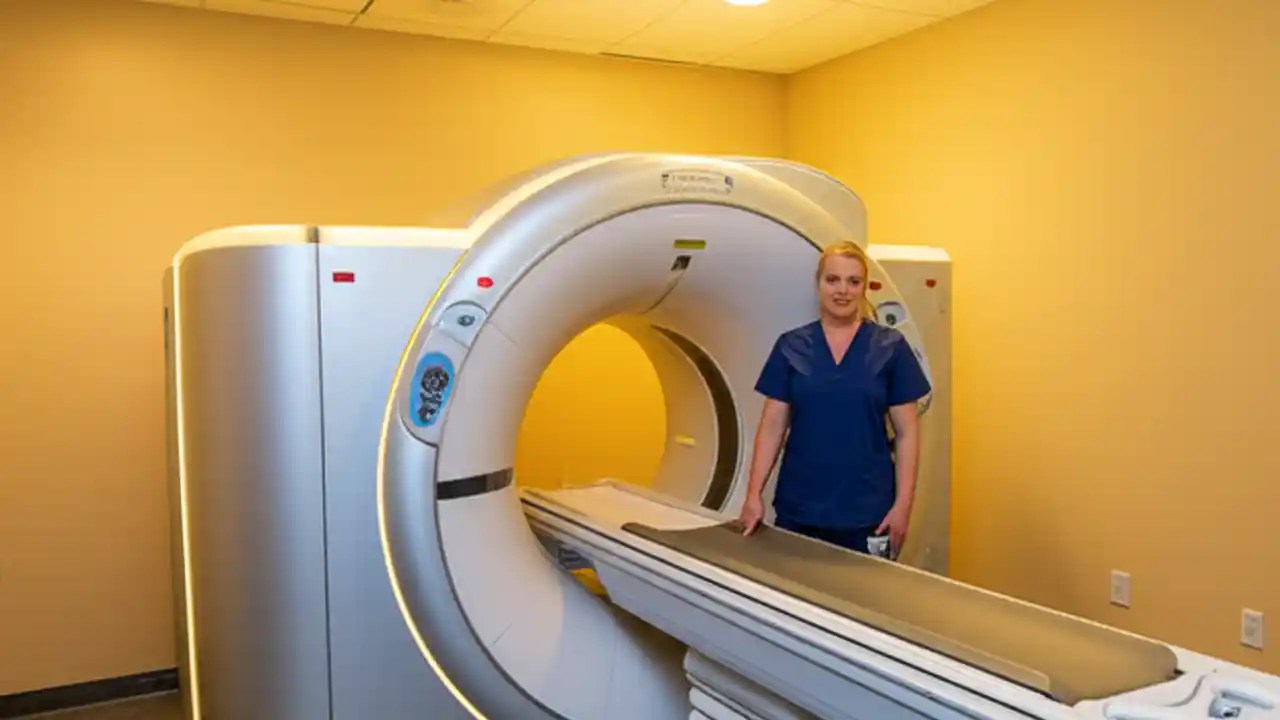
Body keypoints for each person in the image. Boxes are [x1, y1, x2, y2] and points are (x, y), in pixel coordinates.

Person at [737, 241, 931, 559]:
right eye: (833, 280)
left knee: (861, 603)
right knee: (793, 602)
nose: (843, 290)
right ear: (819, 284)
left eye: (853, 281)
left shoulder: (890, 348)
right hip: (800, 509)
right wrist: (753, 495)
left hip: (868, 512)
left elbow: (908, 434)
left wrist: (903, 506)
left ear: (864, 287)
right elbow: (772, 427)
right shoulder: (791, 346)